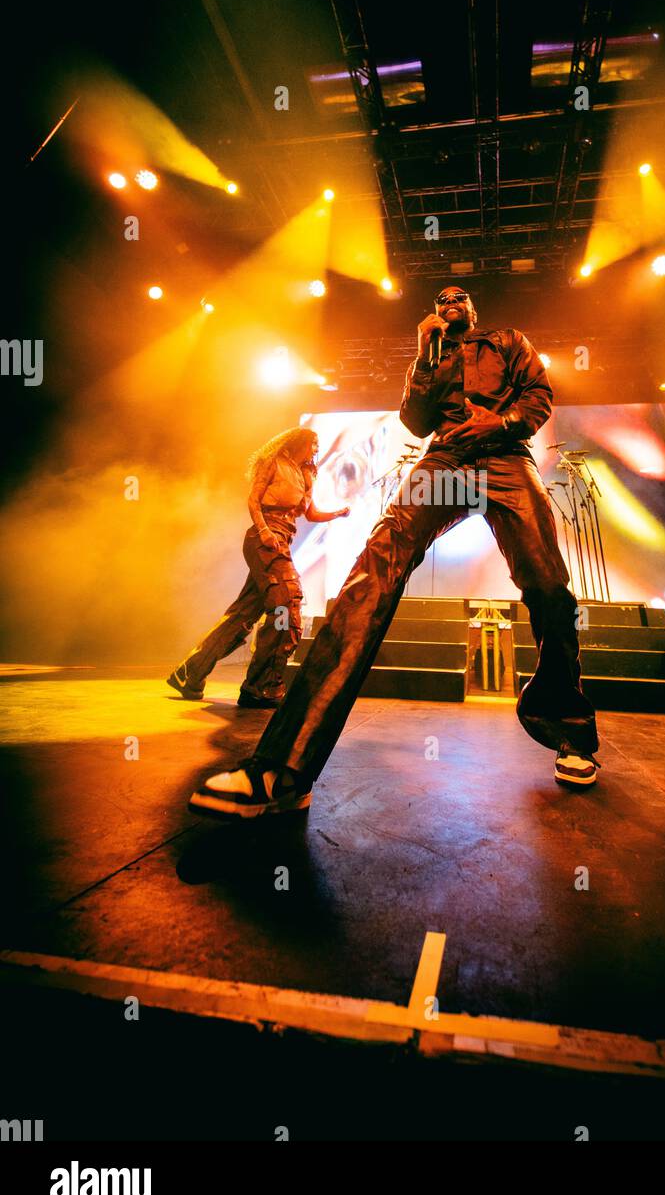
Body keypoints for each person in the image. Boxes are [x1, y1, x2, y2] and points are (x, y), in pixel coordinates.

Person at [188, 284, 600, 821]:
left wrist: (500, 423)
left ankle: (567, 729)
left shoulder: (506, 339)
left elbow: (538, 397)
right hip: (444, 460)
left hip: (505, 457)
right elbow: (415, 421)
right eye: (441, 297)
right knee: (372, 572)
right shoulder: (431, 352)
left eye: (459, 295)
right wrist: (422, 359)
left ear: (473, 308)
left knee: (548, 586)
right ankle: (285, 765)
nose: (449, 299)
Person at [167, 427, 349, 710]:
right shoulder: (274, 462)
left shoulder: (302, 473)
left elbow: (310, 513)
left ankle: (190, 673)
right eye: (313, 443)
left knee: (244, 613)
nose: (316, 448)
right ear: (298, 442)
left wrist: (337, 512)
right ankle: (260, 687)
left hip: (282, 541)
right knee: (286, 606)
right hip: (265, 539)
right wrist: (264, 532)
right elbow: (254, 500)